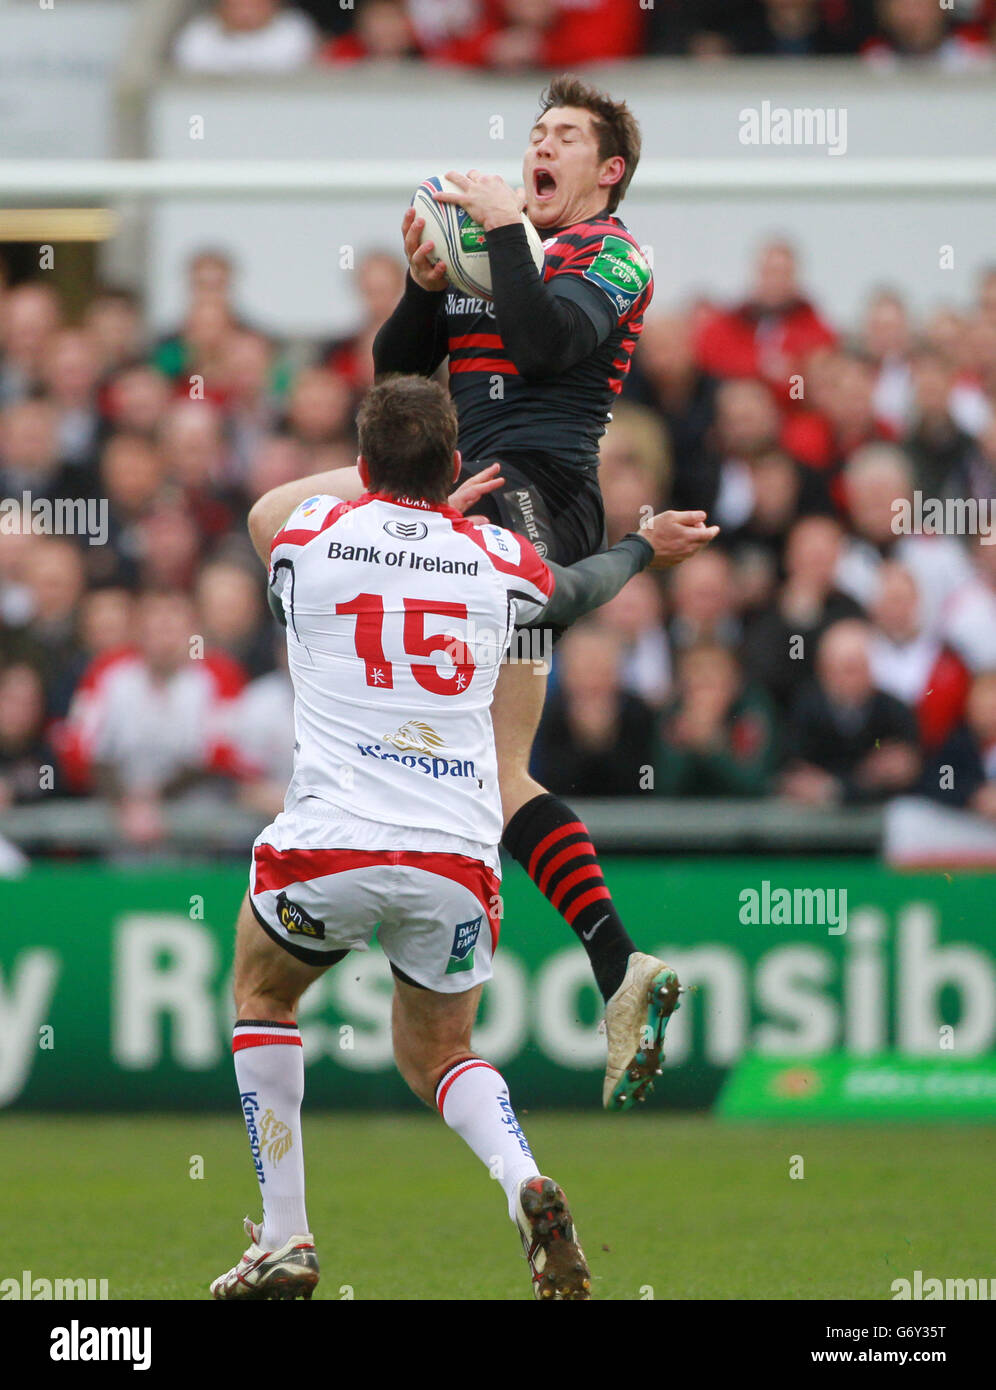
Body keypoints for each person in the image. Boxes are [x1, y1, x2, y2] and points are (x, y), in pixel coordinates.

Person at [210, 375, 716, 1301]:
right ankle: (522, 1179)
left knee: (261, 993)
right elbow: (577, 587)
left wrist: (381, 484)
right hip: (454, 855)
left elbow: (265, 507)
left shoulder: (308, 536)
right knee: (440, 1052)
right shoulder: (494, 555)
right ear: (454, 464)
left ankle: (287, 1237)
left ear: (362, 466)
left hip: (327, 840)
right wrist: (646, 545)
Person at [305, 74, 685, 1111]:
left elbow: (547, 344)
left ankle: (600, 959)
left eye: (564, 136)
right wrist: (427, 280)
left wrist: (503, 231)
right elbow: (395, 386)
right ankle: (621, 967)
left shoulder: (612, 252)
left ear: (608, 171)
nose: (540, 146)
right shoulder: (491, 253)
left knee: (497, 755)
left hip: (535, 498)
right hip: (452, 495)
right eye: (534, 134)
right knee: (493, 775)